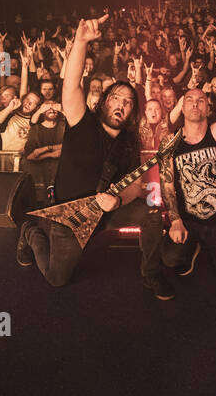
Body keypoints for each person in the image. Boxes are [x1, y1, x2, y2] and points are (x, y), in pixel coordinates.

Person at [16, 15, 167, 293]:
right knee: (56, 278)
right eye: (116, 98)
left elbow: (135, 185)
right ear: (104, 102)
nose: (121, 105)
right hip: (71, 217)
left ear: (133, 112)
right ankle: (30, 232)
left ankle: (152, 273)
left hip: (106, 211)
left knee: (152, 210)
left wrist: (119, 200)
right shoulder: (82, 122)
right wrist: (81, 41)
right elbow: (71, 85)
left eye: (128, 102)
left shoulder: (129, 142)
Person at [160, 43, 216, 292]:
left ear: (209, 108)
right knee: (170, 259)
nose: (196, 104)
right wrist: (175, 221)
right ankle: (194, 247)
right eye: (190, 100)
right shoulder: (170, 142)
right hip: (189, 221)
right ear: (182, 106)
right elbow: (167, 186)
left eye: (201, 100)